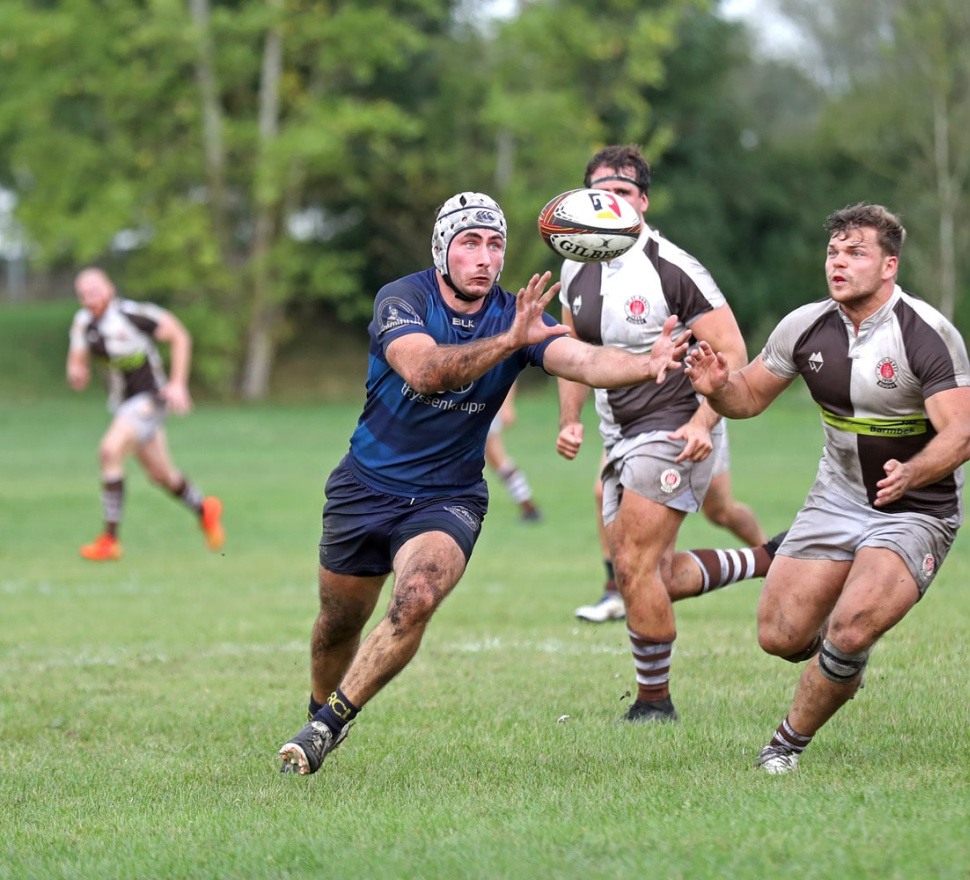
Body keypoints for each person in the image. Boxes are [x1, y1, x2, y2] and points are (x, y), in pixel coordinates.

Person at [278, 192, 690, 775]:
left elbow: (583, 360)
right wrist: (511, 341)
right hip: (365, 487)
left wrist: (645, 363)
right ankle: (318, 709)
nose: (485, 257)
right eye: (470, 243)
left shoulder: (518, 315)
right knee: (337, 624)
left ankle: (327, 726)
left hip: (449, 497)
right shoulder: (404, 298)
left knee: (417, 597)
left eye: (495, 244)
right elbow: (425, 372)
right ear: (442, 249)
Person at [686, 203, 970, 774]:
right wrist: (718, 388)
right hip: (837, 498)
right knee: (780, 636)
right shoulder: (804, 326)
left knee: (848, 630)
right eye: (833, 252)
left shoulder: (925, 333)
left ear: (889, 266)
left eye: (855, 253)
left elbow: (961, 435)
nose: (838, 263)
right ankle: (845, 662)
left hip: (915, 509)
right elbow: (748, 398)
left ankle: (784, 745)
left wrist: (914, 472)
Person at [554, 145, 781, 719]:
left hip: (676, 425)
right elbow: (572, 352)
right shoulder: (575, 265)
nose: (611, 203)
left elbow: (733, 354)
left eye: (623, 193)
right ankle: (768, 559)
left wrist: (704, 421)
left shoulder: (672, 268)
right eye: (600, 194)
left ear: (643, 202)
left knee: (632, 563)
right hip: (619, 436)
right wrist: (570, 419)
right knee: (653, 573)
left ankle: (654, 705)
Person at [65, 267, 225, 561]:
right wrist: (76, 373)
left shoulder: (133, 314)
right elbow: (76, 362)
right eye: (84, 295)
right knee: (161, 475)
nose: (90, 299)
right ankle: (205, 510)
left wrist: (177, 383)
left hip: (149, 399)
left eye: (95, 292)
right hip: (122, 405)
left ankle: (110, 540)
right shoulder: (83, 323)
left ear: (110, 289)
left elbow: (179, 335)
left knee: (109, 451)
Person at [573, 434, 768, 623]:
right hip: (633, 421)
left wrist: (702, 423)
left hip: (688, 423)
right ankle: (615, 591)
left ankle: (774, 557)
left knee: (720, 512)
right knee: (605, 492)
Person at [484, 380, 542, 523]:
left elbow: (507, 369)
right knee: (497, 459)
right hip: (468, 405)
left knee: (497, 458)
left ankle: (529, 506)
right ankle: (528, 505)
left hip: (480, 405)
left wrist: (507, 405)